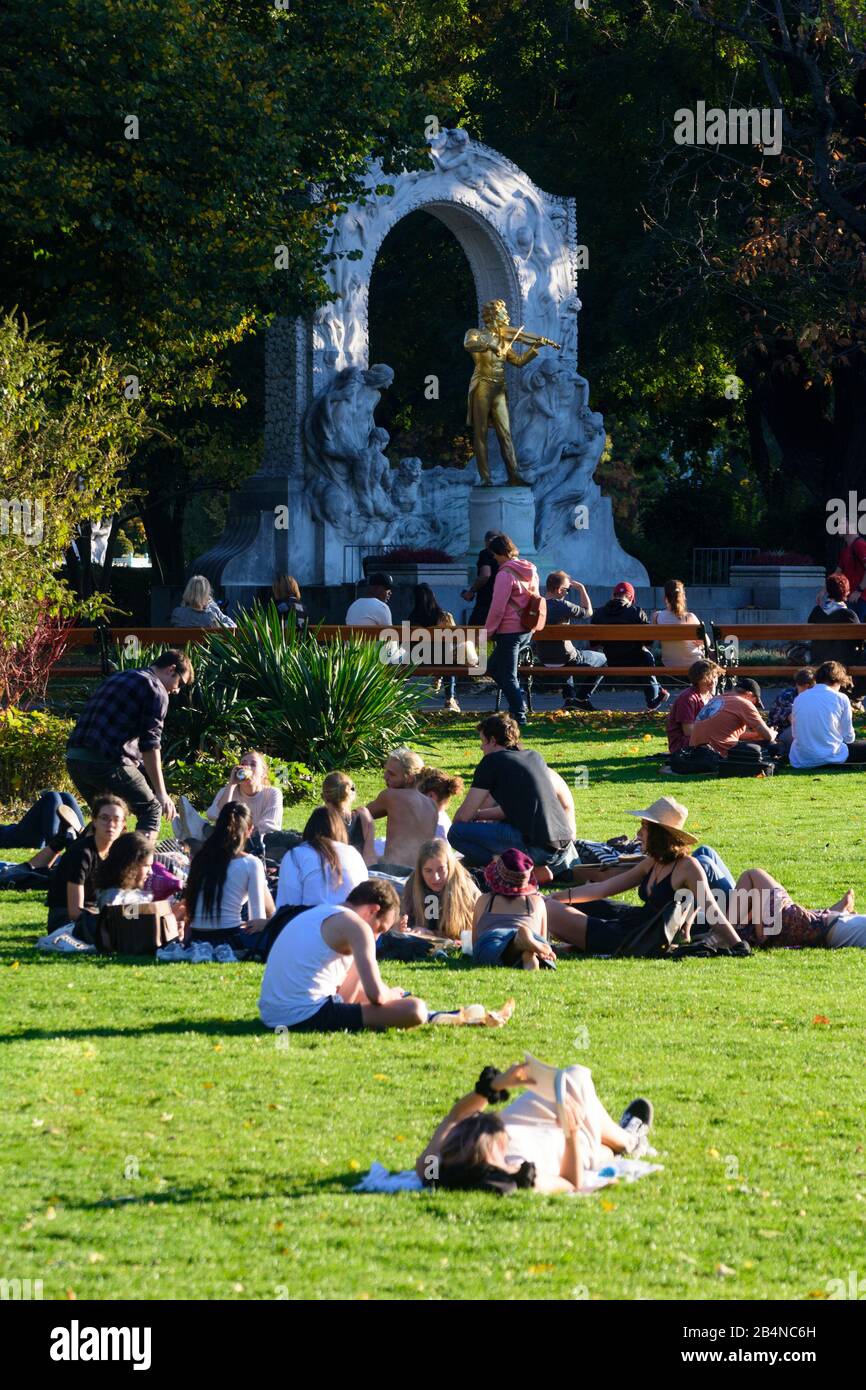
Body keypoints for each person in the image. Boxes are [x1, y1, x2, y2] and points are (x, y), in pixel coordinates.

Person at [544, 796, 747, 955]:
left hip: (633, 937)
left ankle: (560, 942)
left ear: (659, 833)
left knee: (546, 908)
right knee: (567, 903)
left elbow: (712, 909)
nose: (639, 832)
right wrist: (560, 896)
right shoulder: (653, 861)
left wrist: (737, 944)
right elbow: (604, 888)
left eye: (644, 827)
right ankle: (569, 943)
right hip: (631, 923)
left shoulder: (688, 867)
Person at [416, 1061, 654, 1194]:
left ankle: (622, 1140)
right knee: (577, 1088)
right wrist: (570, 1134)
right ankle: (628, 1140)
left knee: (568, 1082)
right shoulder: (516, 1177)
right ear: (497, 1146)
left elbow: (455, 1117)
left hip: (522, 1122)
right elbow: (572, 1182)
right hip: (553, 1141)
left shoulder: (434, 1166)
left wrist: (496, 1085)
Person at [258, 879, 429, 1033]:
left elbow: (346, 998)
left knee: (363, 996)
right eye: (380, 929)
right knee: (416, 1009)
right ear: (373, 910)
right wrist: (393, 994)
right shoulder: (358, 927)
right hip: (305, 1015)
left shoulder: (320, 913)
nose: (376, 938)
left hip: (272, 1015)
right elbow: (377, 996)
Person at [65, 649, 193, 839]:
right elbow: (150, 744)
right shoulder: (156, 689)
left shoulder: (121, 676)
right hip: (107, 762)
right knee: (151, 809)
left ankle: (76, 853)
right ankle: (136, 863)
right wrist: (161, 793)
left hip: (75, 759)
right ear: (171, 669)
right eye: (180, 683)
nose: (177, 690)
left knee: (109, 816)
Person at [449, 715, 577, 877]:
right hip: (563, 846)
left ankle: (511, 866)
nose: (482, 748)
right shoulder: (533, 757)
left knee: (456, 832)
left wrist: (471, 819)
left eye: (482, 741)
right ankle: (533, 866)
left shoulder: (491, 762)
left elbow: (462, 818)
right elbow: (518, 809)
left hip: (537, 847)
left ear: (493, 740)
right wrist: (479, 816)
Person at [183, 802, 275, 954]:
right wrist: (271, 923)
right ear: (249, 831)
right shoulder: (250, 863)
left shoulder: (200, 858)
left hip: (196, 938)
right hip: (228, 939)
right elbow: (256, 919)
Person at [45, 794, 128, 936]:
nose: (110, 824)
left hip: (97, 911)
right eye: (104, 818)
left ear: (123, 824)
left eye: (116, 819)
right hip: (65, 920)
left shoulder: (118, 852)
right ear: (94, 821)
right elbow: (74, 912)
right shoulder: (81, 854)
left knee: (138, 920)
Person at [721, 868, 866, 950]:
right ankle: (838, 911)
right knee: (707, 854)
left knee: (752, 875)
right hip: (817, 924)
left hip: (801, 923)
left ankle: (723, 934)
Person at [483, 534, 541, 725]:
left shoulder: (504, 574)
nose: (494, 558)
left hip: (509, 631)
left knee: (506, 674)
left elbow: (497, 607)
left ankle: (519, 713)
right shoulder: (531, 570)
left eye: (494, 555)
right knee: (494, 668)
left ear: (500, 553)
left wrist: (488, 631)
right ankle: (516, 698)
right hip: (526, 629)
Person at [590, 581, 669, 711]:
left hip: (610, 659)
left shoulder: (599, 613)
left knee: (644, 657)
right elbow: (649, 642)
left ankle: (581, 698)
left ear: (613, 595)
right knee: (646, 657)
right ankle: (652, 700)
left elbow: (593, 643)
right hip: (635, 660)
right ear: (631, 598)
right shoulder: (636, 612)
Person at [472, 849, 555, 969]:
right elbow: (542, 937)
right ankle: (527, 952)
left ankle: (520, 944)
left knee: (485, 952)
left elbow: (475, 943)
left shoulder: (484, 901)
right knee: (537, 947)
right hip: (530, 932)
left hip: (493, 937)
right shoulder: (536, 902)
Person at [534, 570, 605, 710]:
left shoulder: (536, 605)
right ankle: (581, 699)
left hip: (544, 657)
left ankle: (569, 699)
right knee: (604, 659)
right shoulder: (563, 605)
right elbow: (588, 612)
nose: (567, 593)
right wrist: (581, 589)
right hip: (565, 657)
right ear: (559, 590)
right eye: (566, 590)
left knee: (564, 656)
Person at [362, 747, 438, 873]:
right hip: (420, 873)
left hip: (394, 871)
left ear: (409, 777)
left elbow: (359, 814)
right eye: (386, 771)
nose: (385, 777)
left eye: (391, 774)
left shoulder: (390, 796)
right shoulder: (432, 804)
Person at [276, 806, 368, 908]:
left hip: (312, 920)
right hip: (352, 920)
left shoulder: (295, 856)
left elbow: (286, 906)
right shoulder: (353, 853)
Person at [789, 660, 866, 768]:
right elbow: (849, 737)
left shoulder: (799, 698)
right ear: (839, 680)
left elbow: (795, 734)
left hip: (802, 758)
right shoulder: (841, 698)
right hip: (833, 755)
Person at [400, 838, 479, 939]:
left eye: (441, 869)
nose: (436, 878)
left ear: (450, 867)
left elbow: (471, 932)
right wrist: (405, 926)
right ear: (420, 871)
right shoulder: (413, 883)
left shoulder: (465, 888)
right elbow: (405, 916)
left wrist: (433, 934)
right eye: (428, 871)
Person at [688, 677, 779, 760]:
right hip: (720, 752)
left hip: (697, 751)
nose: (754, 706)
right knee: (773, 746)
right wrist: (773, 732)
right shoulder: (744, 703)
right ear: (748, 694)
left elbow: (726, 734)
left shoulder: (716, 699)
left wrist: (756, 735)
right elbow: (769, 736)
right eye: (755, 702)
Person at [409, 583, 460, 712]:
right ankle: (450, 699)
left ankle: (437, 676)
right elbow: (456, 639)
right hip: (443, 660)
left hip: (419, 660)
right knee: (448, 661)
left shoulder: (412, 618)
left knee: (439, 656)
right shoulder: (444, 616)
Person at [807, 574, 864, 674]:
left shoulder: (816, 612)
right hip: (843, 664)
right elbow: (859, 641)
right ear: (846, 591)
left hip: (818, 661)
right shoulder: (849, 615)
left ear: (827, 591)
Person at [665, 659, 721, 757]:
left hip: (702, 739)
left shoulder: (710, 697)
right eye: (707, 678)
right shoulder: (688, 698)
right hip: (683, 745)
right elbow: (688, 731)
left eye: (715, 677)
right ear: (697, 679)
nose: (713, 681)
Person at [0, 790, 84, 851]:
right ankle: (54, 844)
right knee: (51, 797)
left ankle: (85, 839)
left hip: (14, 830)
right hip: (15, 837)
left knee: (65, 796)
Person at [95, 831, 156, 909]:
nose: (151, 872)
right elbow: (132, 919)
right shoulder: (117, 899)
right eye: (146, 866)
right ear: (130, 865)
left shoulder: (125, 895)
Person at [651, 580, 705, 667]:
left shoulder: (657, 616)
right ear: (683, 597)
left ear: (665, 598)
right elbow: (707, 642)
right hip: (694, 666)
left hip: (669, 664)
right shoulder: (690, 617)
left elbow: (653, 642)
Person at [321, 771, 372, 856]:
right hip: (359, 867)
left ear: (324, 797)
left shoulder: (320, 819)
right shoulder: (364, 816)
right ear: (351, 793)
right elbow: (370, 858)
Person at [767, 667, 815, 755]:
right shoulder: (787, 696)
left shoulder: (813, 696)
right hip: (779, 733)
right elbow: (795, 721)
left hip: (797, 731)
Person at [461, 530, 500, 624]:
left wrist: (472, 591)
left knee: (475, 634)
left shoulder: (486, 553)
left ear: (486, 542)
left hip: (485, 601)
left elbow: (485, 574)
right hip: (502, 602)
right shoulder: (507, 556)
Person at [415, 767, 464, 840]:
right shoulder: (438, 819)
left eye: (419, 796)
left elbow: (437, 851)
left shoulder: (435, 827)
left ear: (431, 796)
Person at [170, 575, 235, 629]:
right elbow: (233, 625)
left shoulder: (177, 613)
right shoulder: (211, 615)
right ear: (206, 594)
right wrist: (219, 625)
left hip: (185, 644)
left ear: (188, 592)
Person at [835, 526, 866, 620]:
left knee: (857, 632)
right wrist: (824, 591)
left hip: (860, 598)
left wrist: (859, 591)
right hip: (850, 598)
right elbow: (837, 573)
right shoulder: (846, 549)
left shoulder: (860, 545)